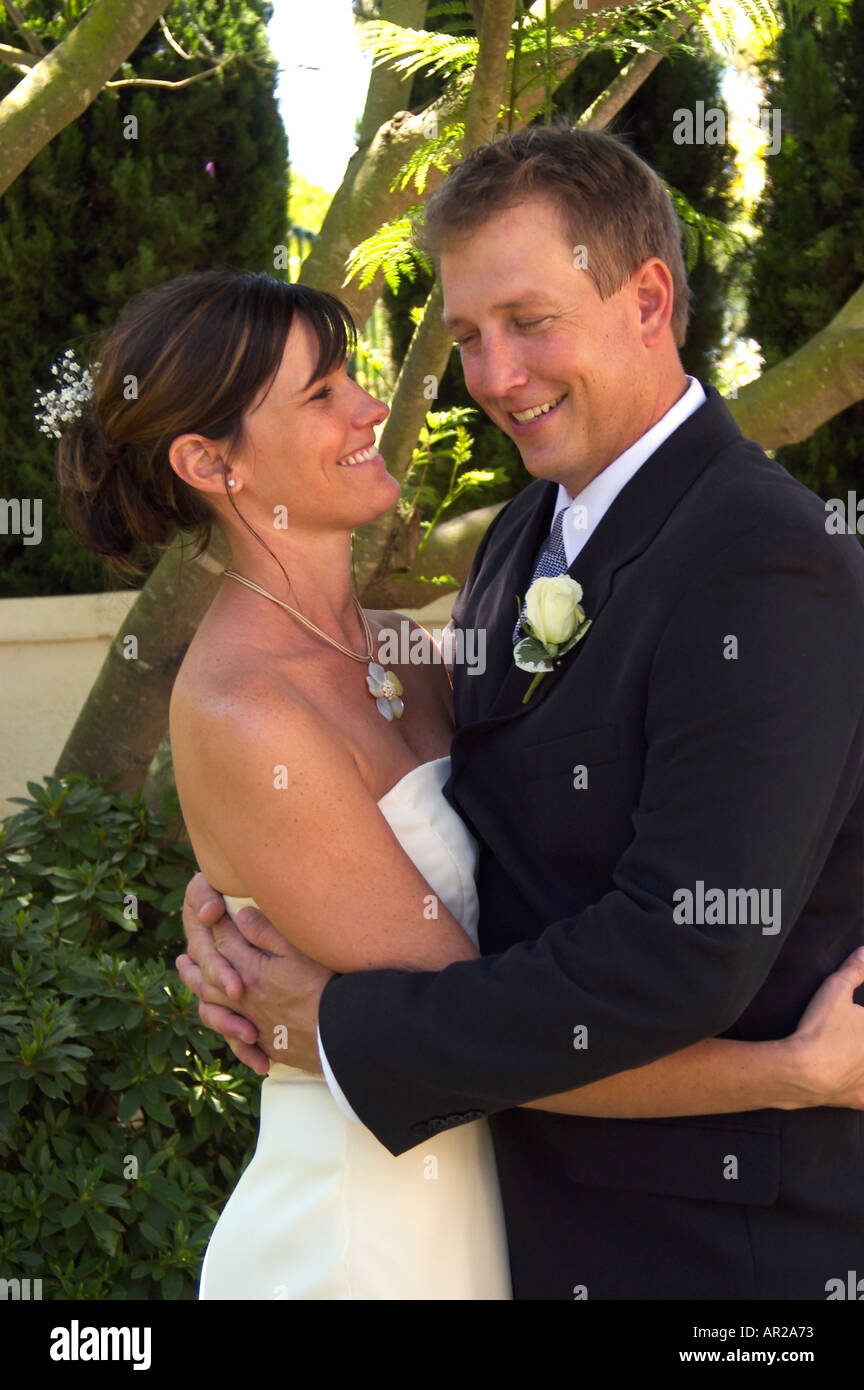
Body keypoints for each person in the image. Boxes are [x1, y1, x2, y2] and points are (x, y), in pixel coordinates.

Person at [179, 124, 864, 1301]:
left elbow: (680, 951)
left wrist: (343, 1031)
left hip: (717, 1254)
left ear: (647, 298)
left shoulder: (759, 554)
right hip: (517, 1215)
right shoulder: (519, 537)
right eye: (466, 337)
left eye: (531, 322)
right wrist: (246, 888)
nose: (494, 377)